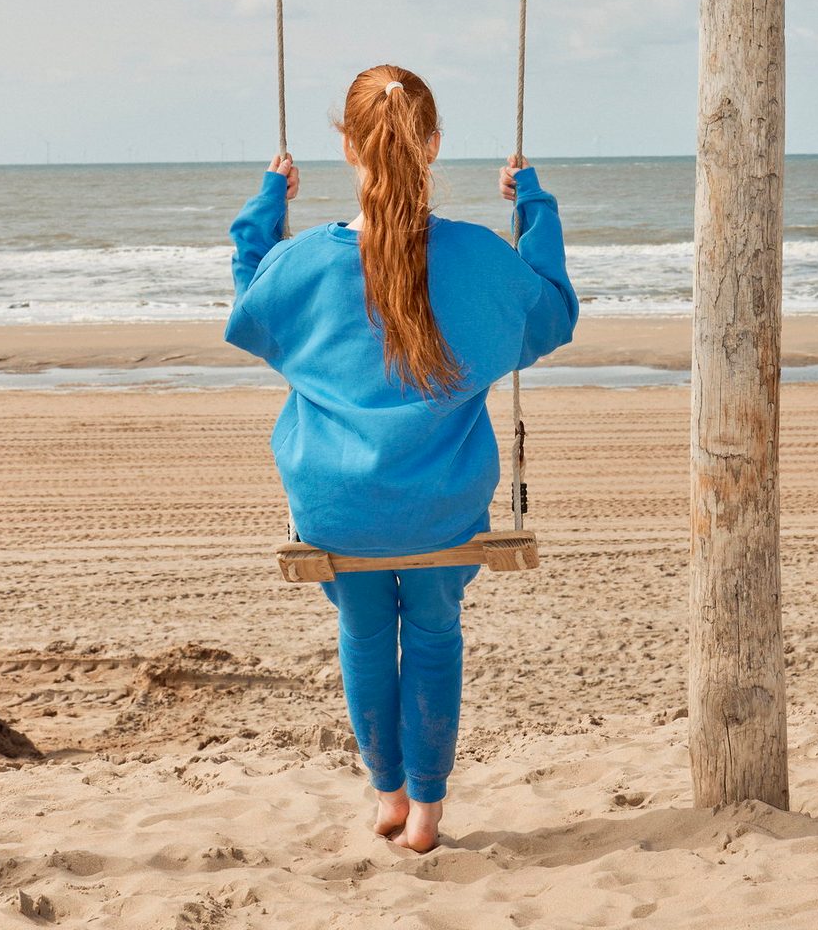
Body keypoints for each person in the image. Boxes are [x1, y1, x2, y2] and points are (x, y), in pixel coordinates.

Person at [224, 63, 578, 853]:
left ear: (348, 147)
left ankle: (385, 793)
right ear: (434, 146)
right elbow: (552, 310)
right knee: (432, 627)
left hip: (336, 504)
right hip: (441, 501)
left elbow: (249, 304)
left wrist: (265, 208)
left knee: (361, 628)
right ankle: (424, 811)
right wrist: (533, 205)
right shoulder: (478, 256)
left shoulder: (307, 259)